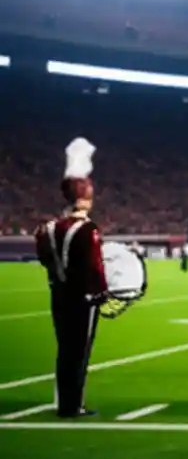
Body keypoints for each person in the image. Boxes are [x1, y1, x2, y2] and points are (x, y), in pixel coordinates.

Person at [34, 137, 107, 418]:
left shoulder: (47, 228)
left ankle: (64, 401)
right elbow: (95, 267)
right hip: (83, 298)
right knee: (78, 351)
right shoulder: (87, 229)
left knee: (64, 349)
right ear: (83, 193)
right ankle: (72, 404)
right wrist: (101, 292)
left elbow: (44, 259)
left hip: (58, 294)